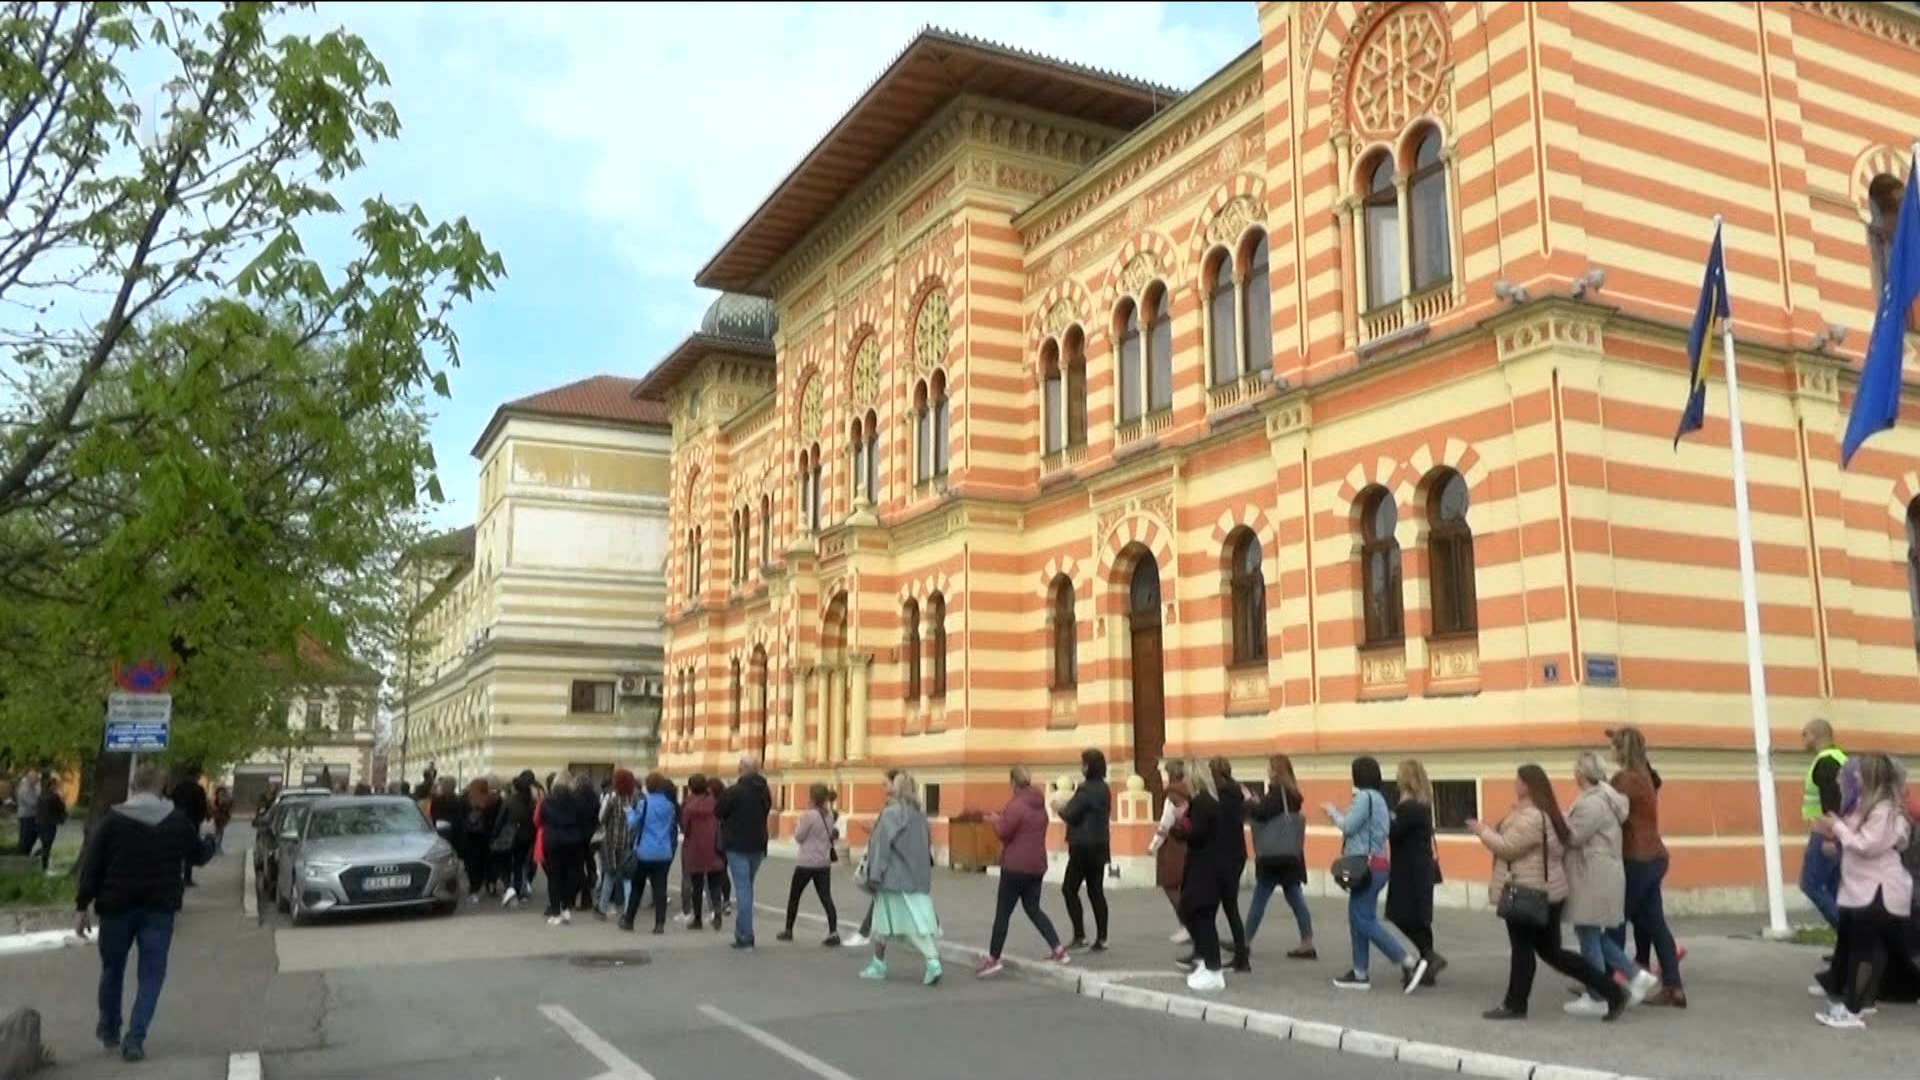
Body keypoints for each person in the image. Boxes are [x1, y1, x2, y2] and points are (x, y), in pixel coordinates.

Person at [75, 765, 217, 1062]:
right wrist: (209, 837)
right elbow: (199, 856)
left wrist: (81, 906)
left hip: (115, 908)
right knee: (151, 975)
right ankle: (135, 1039)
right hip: (158, 908)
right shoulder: (176, 820)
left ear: (133, 786)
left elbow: (93, 864)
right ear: (161, 787)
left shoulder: (112, 821)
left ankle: (110, 1027)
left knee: (112, 969)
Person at [1472, 764, 1627, 1022]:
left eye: (1518, 780)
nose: (1514, 783)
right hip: (1549, 893)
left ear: (1527, 785)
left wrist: (1481, 830)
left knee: (1523, 950)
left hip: (1526, 892)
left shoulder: (1533, 817)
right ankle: (1612, 992)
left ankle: (1515, 1004)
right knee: (1553, 953)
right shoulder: (1550, 813)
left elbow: (1508, 848)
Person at [1811, 753, 1913, 1029]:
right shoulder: (1868, 807)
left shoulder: (1885, 810)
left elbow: (1867, 845)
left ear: (1872, 778)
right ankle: (1860, 1002)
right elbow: (1854, 838)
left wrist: (1838, 829)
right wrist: (1833, 837)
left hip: (1879, 888)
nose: (1855, 776)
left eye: (1860, 773)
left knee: (1864, 950)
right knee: (1875, 948)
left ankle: (1853, 1009)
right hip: (1863, 888)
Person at [1563, 751, 1660, 1017]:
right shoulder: (1606, 798)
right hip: (1602, 873)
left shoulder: (1592, 803)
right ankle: (1634, 976)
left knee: (1588, 934)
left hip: (1591, 874)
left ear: (1581, 774)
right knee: (1591, 933)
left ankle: (1599, 995)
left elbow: (1573, 838)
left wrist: (1560, 820)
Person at [1325, 756, 1425, 992]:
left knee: (1362, 919)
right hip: (1379, 863)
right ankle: (1360, 972)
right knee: (1358, 917)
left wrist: (1333, 814)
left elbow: (1348, 826)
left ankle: (1406, 961)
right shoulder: (1380, 799)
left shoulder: (1364, 798)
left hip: (1365, 865)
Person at [1606, 726, 1686, 1007]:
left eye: (1613, 747)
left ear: (1620, 751)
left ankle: (1605, 985)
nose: (1610, 752)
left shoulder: (1624, 780)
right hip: (1655, 856)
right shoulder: (1646, 777)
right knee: (1655, 923)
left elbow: (1606, 808)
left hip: (1636, 858)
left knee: (1615, 919)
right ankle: (1674, 987)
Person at [978, 766, 1070, 978]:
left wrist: (995, 820)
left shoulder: (1016, 805)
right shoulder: (1040, 806)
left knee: (1003, 913)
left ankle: (993, 958)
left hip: (1015, 867)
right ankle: (1058, 949)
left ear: (1013, 783)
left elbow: (1003, 832)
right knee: (1033, 908)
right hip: (1037, 865)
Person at [859, 770, 942, 985]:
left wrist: (874, 875)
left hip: (893, 878)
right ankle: (878, 963)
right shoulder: (919, 816)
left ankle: (932, 960)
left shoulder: (891, 814)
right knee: (882, 923)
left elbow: (881, 847)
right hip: (916, 877)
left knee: (907, 924)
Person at [1245, 754, 1315, 960]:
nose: (1267, 771)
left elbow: (1260, 813)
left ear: (1275, 771)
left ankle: (1245, 941)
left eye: (1269, 768)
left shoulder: (1277, 795)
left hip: (1272, 856)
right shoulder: (1293, 794)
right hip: (1291, 855)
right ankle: (1307, 941)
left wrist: (1250, 800)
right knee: (1295, 897)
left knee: (1260, 898)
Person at [1172, 760, 1228, 991]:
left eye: (1185, 777)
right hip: (1202, 866)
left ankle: (1214, 969)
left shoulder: (1205, 803)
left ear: (1193, 778)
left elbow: (1197, 833)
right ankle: (1206, 962)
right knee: (1192, 910)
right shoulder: (1202, 803)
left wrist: (1178, 824)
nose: (1183, 781)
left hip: (1207, 869)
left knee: (1202, 914)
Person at [1388, 760, 1443, 984]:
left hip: (1409, 869)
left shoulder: (1409, 808)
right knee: (1419, 919)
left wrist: (1391, 816)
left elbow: (1393, 832)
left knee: (1399, 915)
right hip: (1418, 867)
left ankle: (1429, 956)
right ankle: (1426, 966)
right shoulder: (1421, 805)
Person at [1053, 748, 1112, 952]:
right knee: (1096, 891)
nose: (1081, 767)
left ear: (1088, 766)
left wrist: (1059, 808)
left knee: (1069, 889)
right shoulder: (1104, 788)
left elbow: (1072, 814)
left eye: (1083, 763)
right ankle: (1102, 937)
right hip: (1100, 845)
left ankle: (1080, 935)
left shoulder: (1085, 789)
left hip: (1082, 847)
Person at [715, 754, 772, 949]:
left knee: (743, 890)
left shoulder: (735, 791)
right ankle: (742, 931)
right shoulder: (764, 790)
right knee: (747, 887)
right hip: (758, 845)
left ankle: (746, 935)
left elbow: (718, 810)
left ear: (743, 768)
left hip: (738, 845)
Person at [1799, 719, 1848, 931]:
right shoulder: (1841, 758)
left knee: (1811, 884)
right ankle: (1847, 952)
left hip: (1826, 833)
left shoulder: (1826, 762)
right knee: (1835, 889)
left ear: (1815, 735)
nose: (1803, 740)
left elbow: (1832, 802)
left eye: (1805, 735)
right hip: (1839, 832)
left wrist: (1830, 837)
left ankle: (1851, 938)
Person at [779, 782, 841, 945]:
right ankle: (833, 931)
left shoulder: (808, 815)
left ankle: (788, 930)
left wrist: (797, 826)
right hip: (823, 862)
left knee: (795, 896)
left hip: (806, 862)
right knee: (826, 897)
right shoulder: (829, 815)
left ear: (812, 797)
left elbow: (799, 836)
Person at [621, 772, 678, 933]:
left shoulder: (644, 804)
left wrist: (628, 812)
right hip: (663, 851)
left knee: (637, 887)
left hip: (645, 851)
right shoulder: (669, 805)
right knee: (660, 888)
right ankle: (659, 923)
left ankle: (629, 919)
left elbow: (633, 824)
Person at [1208, 757, 1251, 972]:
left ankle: (1209, 954)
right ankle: (1241, 955)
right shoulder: (1237, 792)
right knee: (1230, 906)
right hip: (1237, 853)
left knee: (1213, 906)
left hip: (1222, 855)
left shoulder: (1219, 796)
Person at [1147, 760, 1192, 945]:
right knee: (1185, 885)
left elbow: (1166, 824)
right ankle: (1190, 925)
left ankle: (1187, 925)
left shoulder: (1172, 796)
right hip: (1189, 843)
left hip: (1173, 846)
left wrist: (1153, 846)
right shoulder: (1190, 792)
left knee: (1171, 885)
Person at [539, 774, 593, 926]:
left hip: (553, 842)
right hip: (573, 841)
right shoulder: (577, 802)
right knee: (570, 875)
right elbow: (583, 820)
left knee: (554, 877)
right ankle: (566, 907)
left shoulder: (547, 802)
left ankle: (555, 912)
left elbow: (541, 819)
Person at [680, 775, 726, 930]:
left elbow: (685, 828)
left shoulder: (689, 805)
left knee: (697, 884)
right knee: (714, 883)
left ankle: (697, 919)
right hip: (713, 846)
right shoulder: (714, 803)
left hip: (695, 846)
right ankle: (717, 914)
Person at [594, 770, 637, 918]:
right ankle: (627, 910)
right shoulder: (634, 799)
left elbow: (601, 818)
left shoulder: (612, 798)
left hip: (611, 842)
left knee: (609, 874)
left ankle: (602, 907)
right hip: (626, 842)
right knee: (627, 876)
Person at [461, 778, 503, 901]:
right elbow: (498, 818)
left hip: (471, 837)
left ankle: (474, 889)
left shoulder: (465, 800)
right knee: (489, 861)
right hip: (488, 835)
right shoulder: (494, 800)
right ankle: (491, 884)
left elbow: (461, 818)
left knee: (473, 863)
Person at [501, 770, 537, 906]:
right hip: (527, 837)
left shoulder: (510, 801)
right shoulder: (531, 801)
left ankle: (511, 888)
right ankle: (519, 890)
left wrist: (495, 835)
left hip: (511, 837)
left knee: (507, 862)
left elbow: (501, 819)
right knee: (520, 864)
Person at [168, 768, 209, 887]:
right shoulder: (198, 789)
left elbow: (171, 801)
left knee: (176, 848)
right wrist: (201, 818)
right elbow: (202, 806)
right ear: (195, 776)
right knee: (190, 849)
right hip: (192, 821)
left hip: (177, 820)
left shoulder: (178, 788)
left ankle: (175, 875)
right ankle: (187, 877)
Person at [33, 772, 67, 874]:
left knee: (44, 844)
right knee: (47, 846)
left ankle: (36, 859)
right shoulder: (53, 796)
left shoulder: (41, 795)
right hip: (49, 824)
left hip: (39, 823)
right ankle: (44, 867)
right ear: (53, 786)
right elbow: (61, 808)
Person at [14, 768, 41, 856]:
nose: (37, 780)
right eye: (35, 778)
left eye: (37, 778)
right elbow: (33, 803)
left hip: (32, 816)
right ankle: (21, 856)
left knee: (32, 836)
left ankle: (26, 854)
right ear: (29, 778)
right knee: (26, 838)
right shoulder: (24, 789)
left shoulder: (34, 787)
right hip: (26, 817)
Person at [210, 787, 233, 853]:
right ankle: (216, 847)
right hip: (217, 817)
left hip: (223, 818)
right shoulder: (215, 799)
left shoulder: (226, 800)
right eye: (220, 792)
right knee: (218, 831)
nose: (221, 794)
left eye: (223, 792)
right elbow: (213, 808)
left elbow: (228, 808)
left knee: (220, 831)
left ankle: (218, 847)